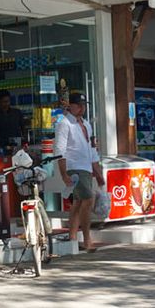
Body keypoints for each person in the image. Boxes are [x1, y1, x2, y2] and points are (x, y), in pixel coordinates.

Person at [54, 92, 104, 253]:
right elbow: (60, 150)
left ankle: (73, 237)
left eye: (84, 105)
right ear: (71, 106)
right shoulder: (64, 123)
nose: (82, 108)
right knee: (88, 200)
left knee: (78, 202)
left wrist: (97, 171)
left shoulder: (86, 125)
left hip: (87, 167)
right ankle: (87, 239)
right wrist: (63, 174)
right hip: (74, 166)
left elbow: (92, 150)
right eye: (79, 105)